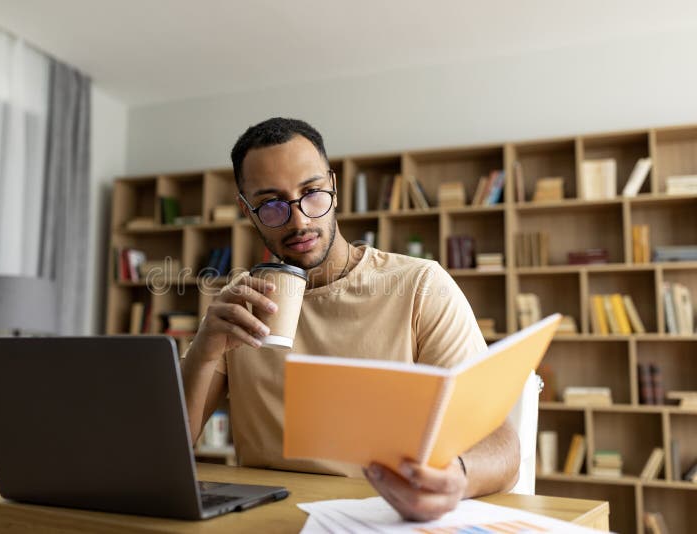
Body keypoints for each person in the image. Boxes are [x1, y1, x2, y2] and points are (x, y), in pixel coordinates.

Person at [182, 117, 519, 521]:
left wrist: (457, 478)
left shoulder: (419, 285)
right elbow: (166, 453)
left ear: (334, 187)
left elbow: (502, 444)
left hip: (384, 518)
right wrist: (203, 352)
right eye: (271, 204)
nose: (300, 220)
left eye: (312, 193)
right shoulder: (240, 305)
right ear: (247, 210)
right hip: (265, 519)